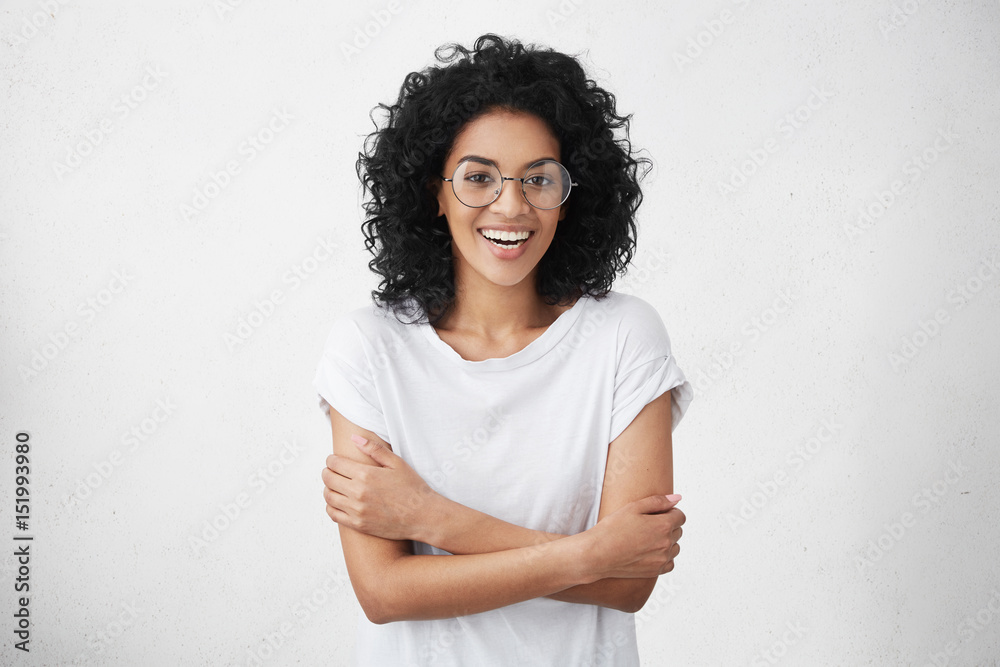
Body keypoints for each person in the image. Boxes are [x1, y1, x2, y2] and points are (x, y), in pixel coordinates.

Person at [313, 33, 694, 666]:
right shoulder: (369, 348)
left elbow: (630, 584)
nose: (511, 206)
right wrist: (590, 553)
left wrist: (431, 519)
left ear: (571, 198)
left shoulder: (625, 337)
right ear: (433, 192)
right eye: (479, 177)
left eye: (538, 179)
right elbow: (384, 591)